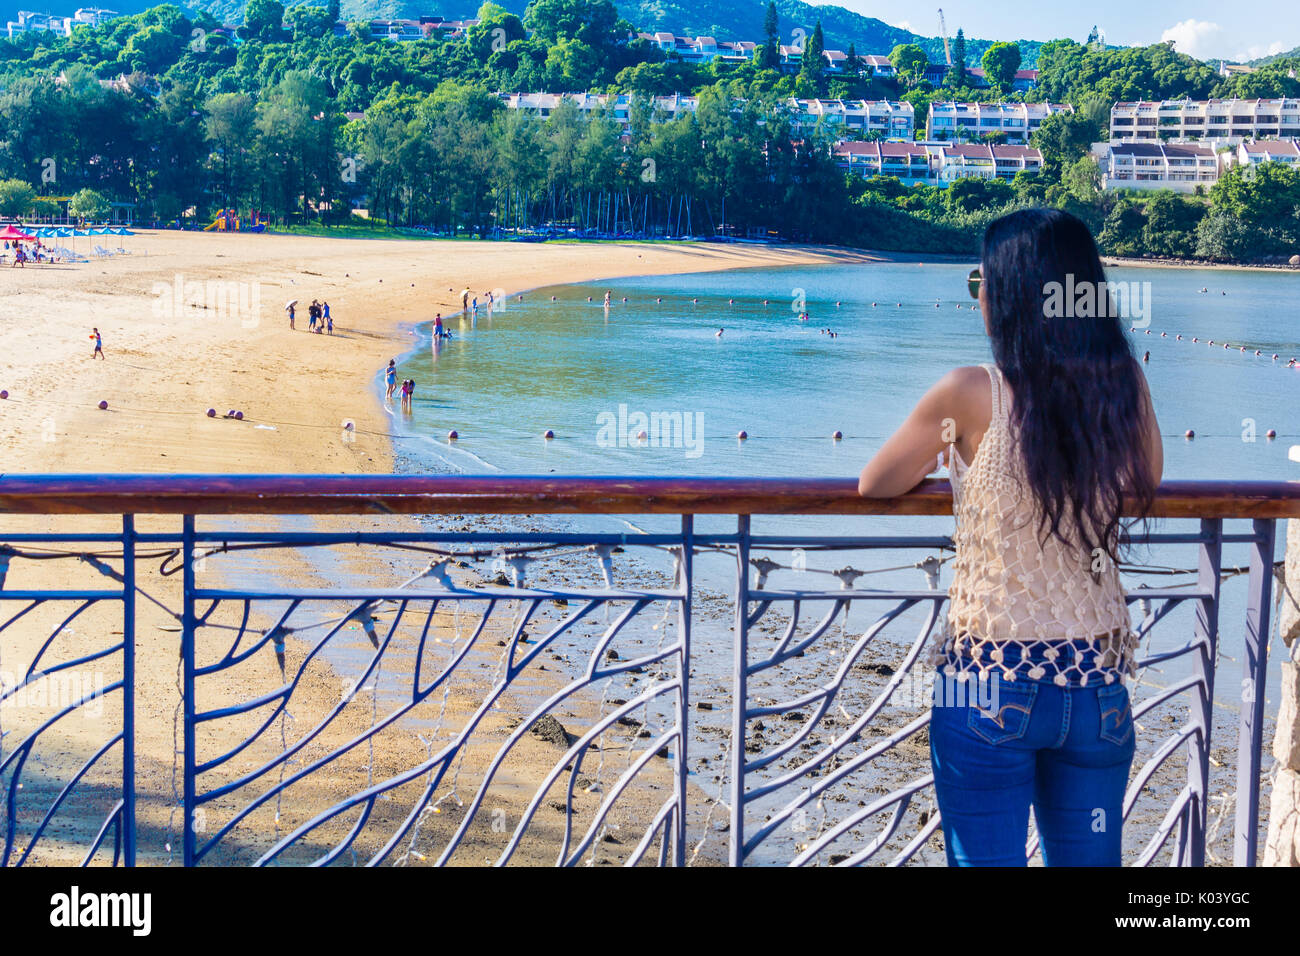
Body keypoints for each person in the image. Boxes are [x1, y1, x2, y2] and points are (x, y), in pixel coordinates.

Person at [857, 208, 1163, 867]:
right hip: (1096, 689)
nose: (979, 298)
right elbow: (1148, 477)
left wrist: (963, 463)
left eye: (981, 283)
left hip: (991, 682)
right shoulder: (1122, 387)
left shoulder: (971, 393)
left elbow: (876, 482)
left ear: (1012, 293)